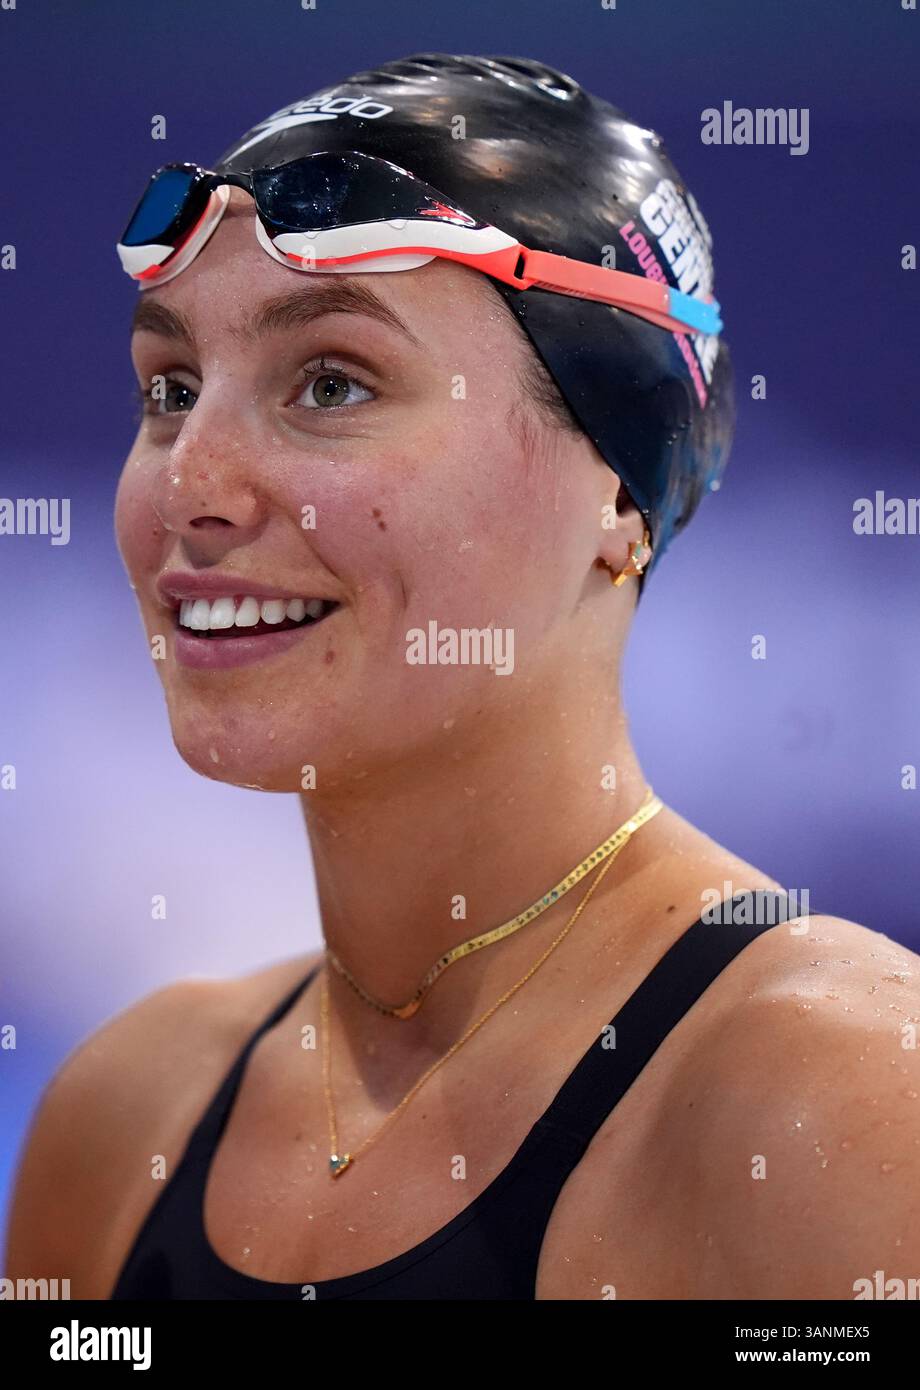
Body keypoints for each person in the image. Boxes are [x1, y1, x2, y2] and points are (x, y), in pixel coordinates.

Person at [5, 53, 919, 1301]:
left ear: (614, 483)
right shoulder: (122, 1120)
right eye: (170, 390)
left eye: (330, 383)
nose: (184, 488)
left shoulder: (838, 1099)